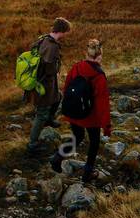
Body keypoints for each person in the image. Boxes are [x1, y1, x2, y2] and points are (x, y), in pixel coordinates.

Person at [53, 38, 111, 183]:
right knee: (94, 142)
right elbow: (102, 103)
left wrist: (67, 108)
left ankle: (57, 157)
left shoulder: (76, 67)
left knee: (77, 137)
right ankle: (87, 173)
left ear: (87, 54)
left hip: (74, 111)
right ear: (99, 56)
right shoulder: (99, 75)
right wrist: (107, 127)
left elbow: (66, 88)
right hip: (90, 116)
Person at [26, 17, 71, 153]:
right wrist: (55, 70)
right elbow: (50, 68)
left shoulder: (44, 39)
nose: (66, 35)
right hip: (43, 84)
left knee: (58, 96)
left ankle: (49, 119)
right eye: (66, 32)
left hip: (46, 82)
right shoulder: (52, 46)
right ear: (61, 31)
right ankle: (32, 144)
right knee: (41, 113)